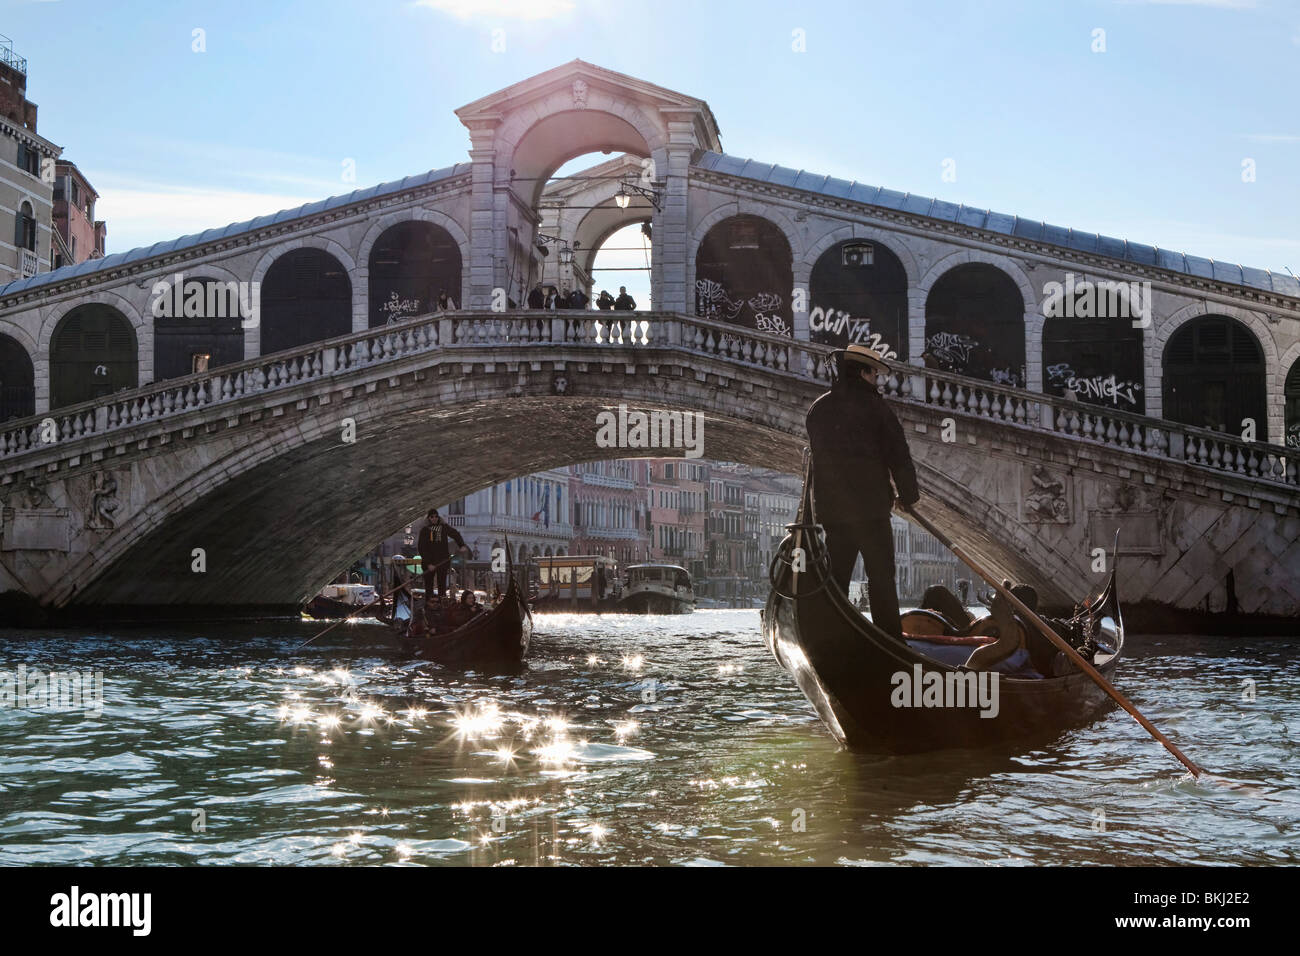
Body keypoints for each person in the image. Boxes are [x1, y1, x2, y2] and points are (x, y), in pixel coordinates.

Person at [806, 344, 919, 642]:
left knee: (836, 579)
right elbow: (899, 457)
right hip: (871, 513)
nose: (877, 380)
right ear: (863, 372)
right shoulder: (878, 410)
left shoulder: (818, 410)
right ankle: (890, 639)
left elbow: (816, 463)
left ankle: (830, 636)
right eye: (874, 373)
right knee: (881, 580)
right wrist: (907, 497)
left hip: (834, 513)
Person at [417, 509, 469, 600]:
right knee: (429, 586)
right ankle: (429, 604)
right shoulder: (424, 530)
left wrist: (461, 545)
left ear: (438, 517)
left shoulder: (444, 527)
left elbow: (455, 534)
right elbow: (422, 548)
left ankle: (442, 603)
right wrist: (429, 563)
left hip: (442, 560)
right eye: (432, 517)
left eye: (436, 516)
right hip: (429, 562)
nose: (434, 518)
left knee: (442, 585)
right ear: (429, 518)